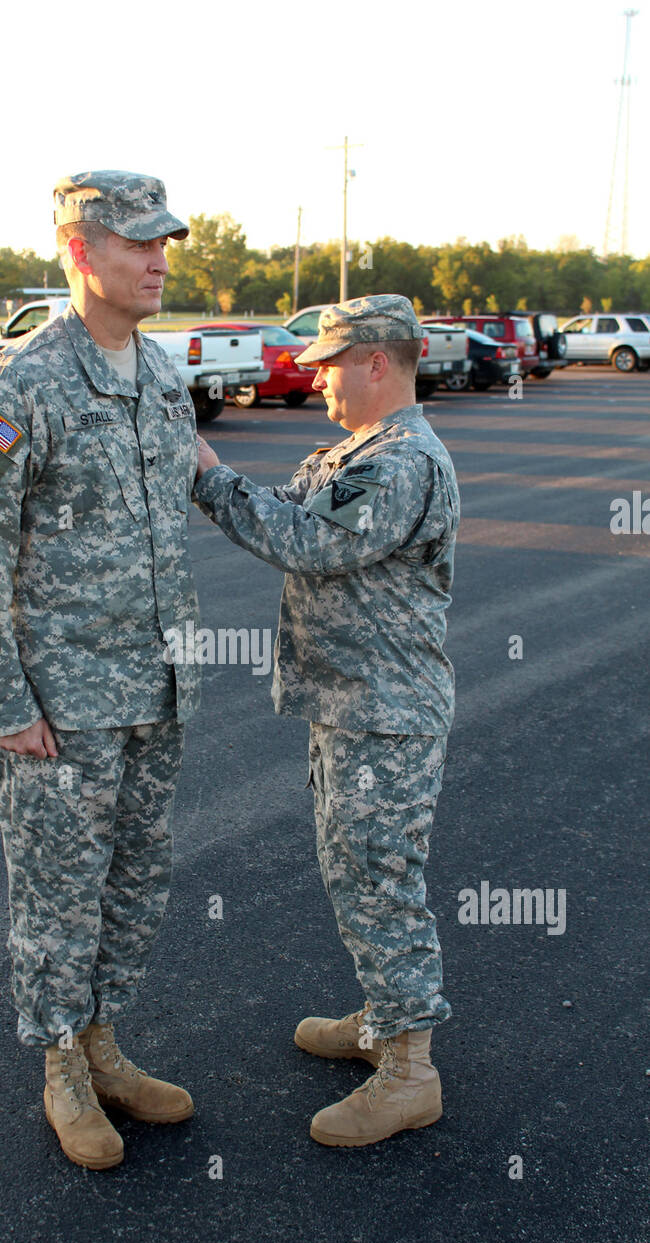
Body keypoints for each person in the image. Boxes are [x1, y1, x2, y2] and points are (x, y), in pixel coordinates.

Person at [0, 170, 202, 1170]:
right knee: (57, 894)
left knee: (134, 883)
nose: (158, 260)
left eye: (164, 241)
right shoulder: (22, 383)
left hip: (155, 692)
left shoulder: (161, 374)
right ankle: (59, 1070)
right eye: (137, 243)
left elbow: (186, 503)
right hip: (61, 707)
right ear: (79, 251)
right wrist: (5, 700)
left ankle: (104, 1045)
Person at [193, 294, 460, 1148]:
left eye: (328, 363)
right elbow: (299, 509)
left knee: (381, 881)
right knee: (353, 871)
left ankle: (411, 1071)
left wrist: (205, 474)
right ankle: (386, 1022)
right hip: (353, 709)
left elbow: (306, 541)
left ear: (377, 362)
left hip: (385, 716)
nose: (314, 378)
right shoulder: (365, 451)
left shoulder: (401, 462)